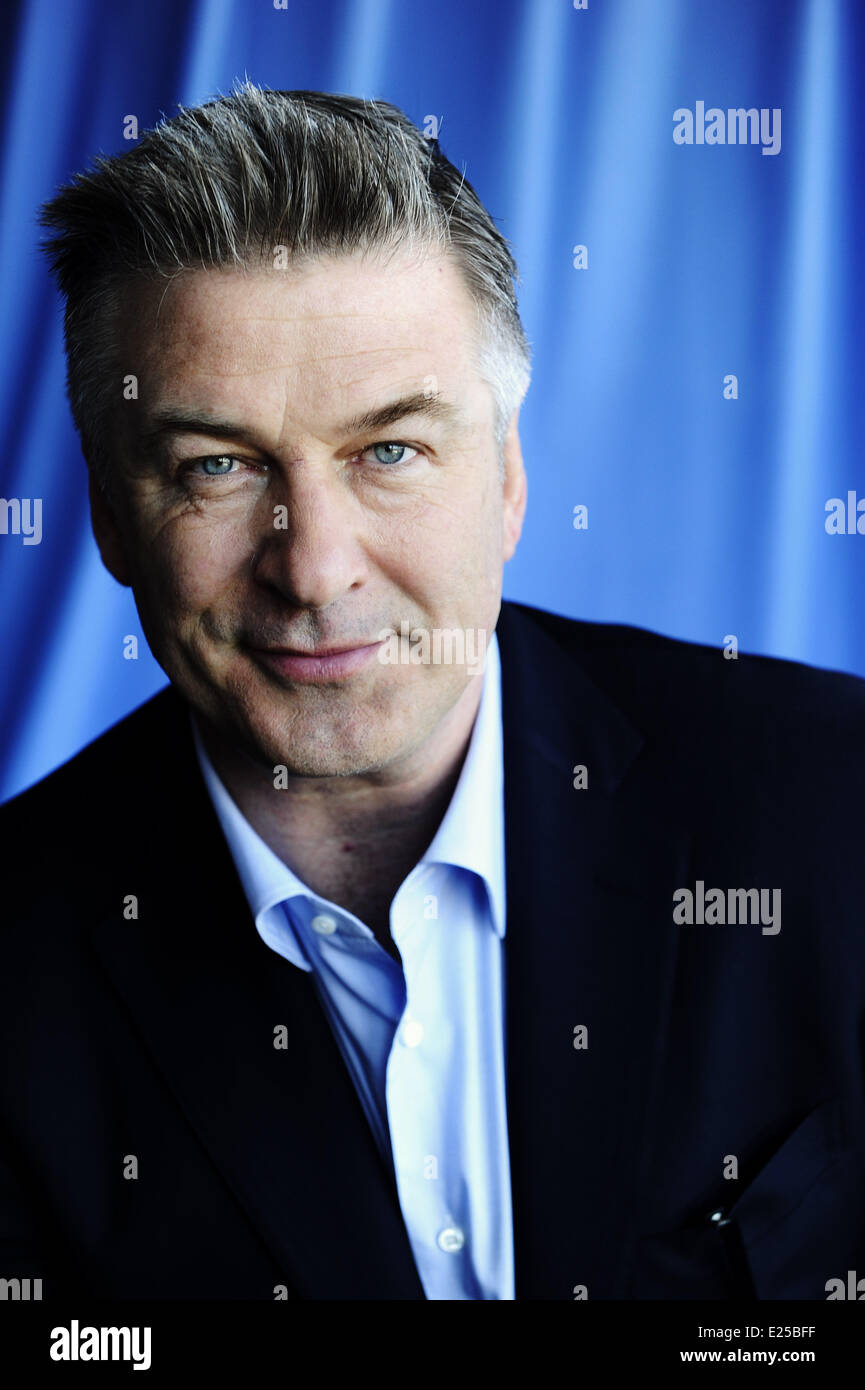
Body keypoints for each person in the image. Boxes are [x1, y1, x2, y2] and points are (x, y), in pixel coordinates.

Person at [1, 82, 863, 1303]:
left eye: (390, 450)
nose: (314, 566)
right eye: (217, 467)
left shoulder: (836, 807)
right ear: (109, 517)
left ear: (508, 480)